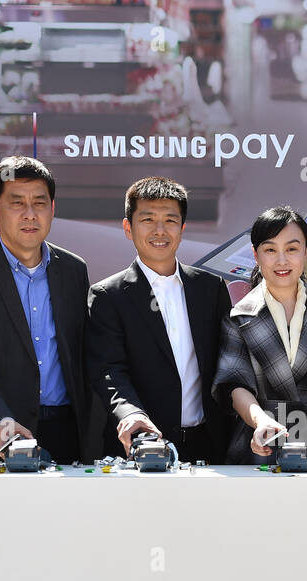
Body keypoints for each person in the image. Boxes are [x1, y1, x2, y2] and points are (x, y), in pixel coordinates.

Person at [0, 156, 102, 465]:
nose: (30, 215)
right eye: (17, 203)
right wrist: (0, 422)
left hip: (65, 433)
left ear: (52, 209)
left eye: (39, 203)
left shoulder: (73, 269)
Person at [88, 177, 231, 462]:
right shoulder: (108, 295)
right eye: (148, 219)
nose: (160, 231)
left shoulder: (210, 288)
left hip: (209, 446)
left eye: (170, 220)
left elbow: (227, 361)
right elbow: (109, 371)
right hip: (140, 447)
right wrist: (132, 414)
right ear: (128, 227)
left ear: (182, 228)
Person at [213, 207, 307, 464]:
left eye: (292, 249)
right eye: (270, 249)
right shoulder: (238, 317)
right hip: (261, 446)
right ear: (256, 254)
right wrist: (261, 420)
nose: (282, 260)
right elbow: (234, 384)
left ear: (306, 251)